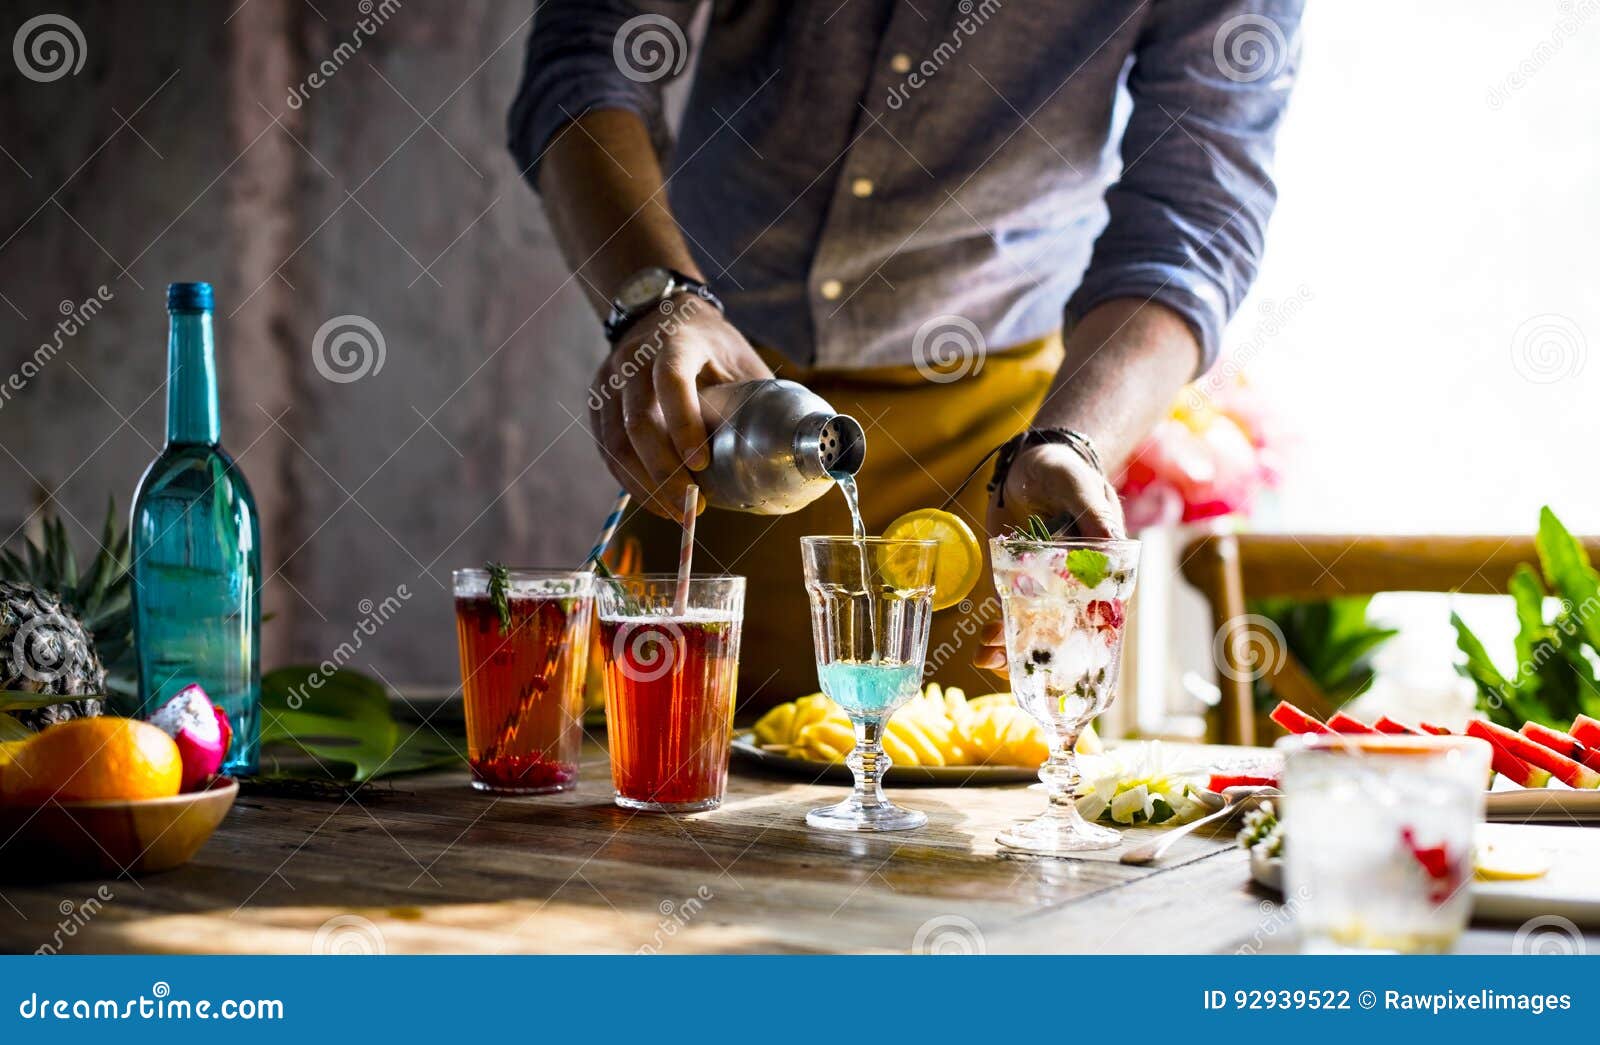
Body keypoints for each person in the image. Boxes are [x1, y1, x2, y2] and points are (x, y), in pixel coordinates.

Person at [509, 1, 1303, 709]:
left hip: (996, 461)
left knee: (969, 839)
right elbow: (590, 49)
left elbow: (1193, 222)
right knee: (662, 798)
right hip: (722, 416)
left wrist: (1070, 443)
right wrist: (654, 301)